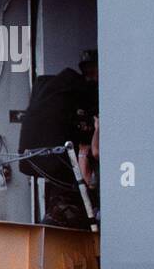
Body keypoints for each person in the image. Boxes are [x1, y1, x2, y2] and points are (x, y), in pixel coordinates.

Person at [19, 50, 98, 227]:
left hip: (64, 180)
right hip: (72, 183)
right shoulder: (80, 99)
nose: (91, 78)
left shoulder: (66, 94)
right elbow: (95, 157)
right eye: (89, 73)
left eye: (94, 72)